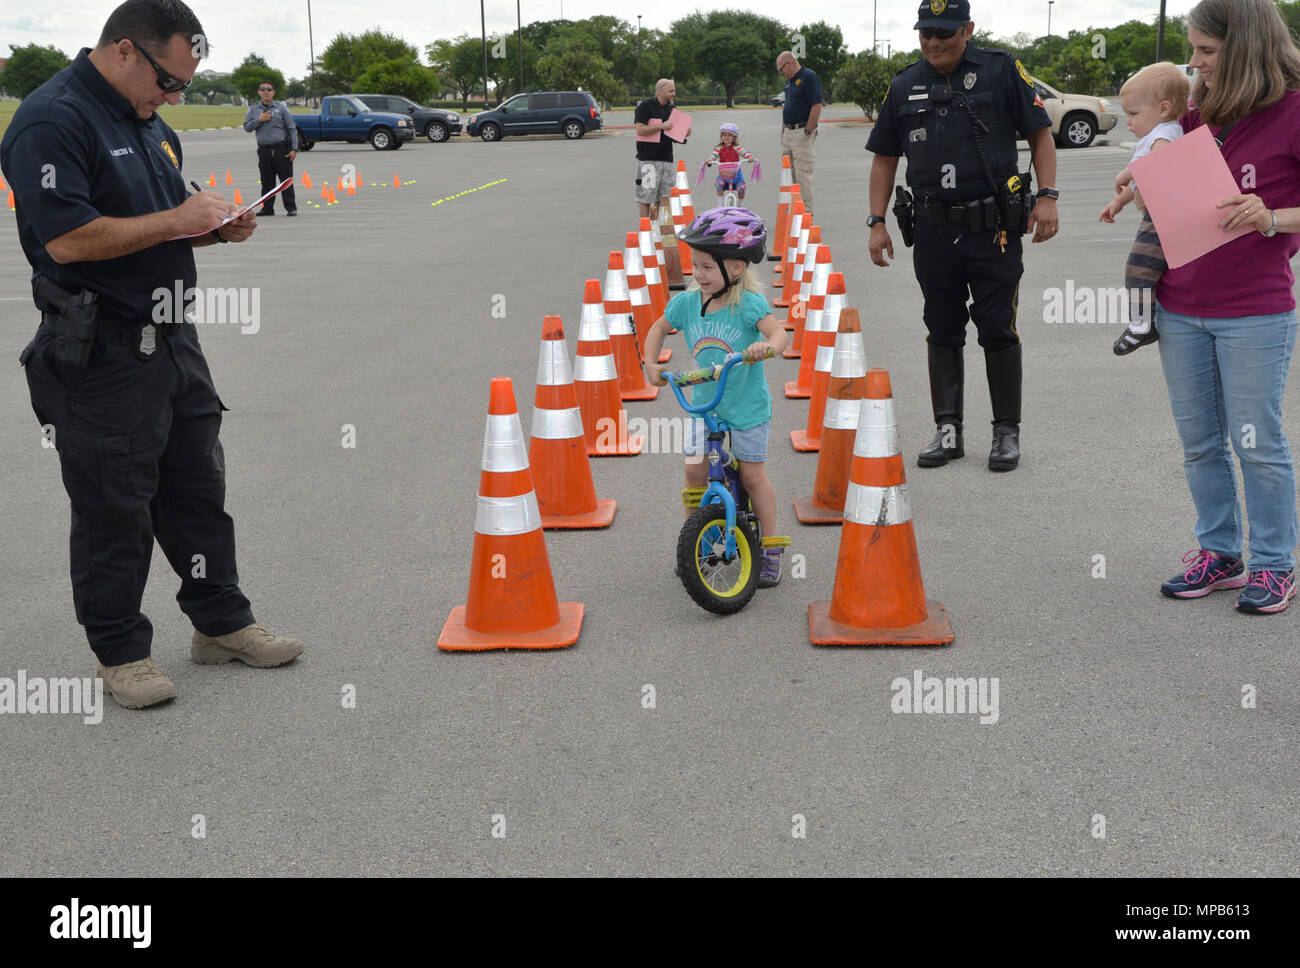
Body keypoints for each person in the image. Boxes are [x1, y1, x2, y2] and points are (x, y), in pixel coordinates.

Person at [0, 0, 304, 710]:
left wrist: (213, 230)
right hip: (99, 348)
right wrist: (178, 220)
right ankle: (120, 652)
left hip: (171, 339)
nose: (174, 97)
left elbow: (157, 227)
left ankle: (221, 624)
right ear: (126, 52)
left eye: (186, 87)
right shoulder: (54, 120)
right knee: (115, 506)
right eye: (169, 82)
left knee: (197, 487)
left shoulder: (149, 124)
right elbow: (68, 240)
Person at [1152, 0, 1300, 614]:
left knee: (1256, 441)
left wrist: (1270, 217)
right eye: (1193, 50)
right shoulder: (1196, 115)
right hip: (1180, 305)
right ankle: (1221, 553)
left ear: (1244, 49)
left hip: (1255, 311)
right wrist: (1136, 183)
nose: (1195, 63)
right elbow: (1171, 186)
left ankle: (1275, 565)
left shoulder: (1293, 111)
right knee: (1199, 443)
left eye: (1206, 52)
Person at [867, 0, 1059, 472]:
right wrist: (875, 222)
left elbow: (1040, 134)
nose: (934, 41)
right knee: (943, 328)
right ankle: (947, 430)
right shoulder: (904, 83)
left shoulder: (1001, 69)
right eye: (926, 32)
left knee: (998, 327)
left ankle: (1005, 433)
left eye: (945, 32)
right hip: (933, 232)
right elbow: (885, 159)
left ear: (968, 28)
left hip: (992, 229)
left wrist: (1048, 196)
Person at [642, 208, 791, 587]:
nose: (698, 274)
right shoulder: (688, 303)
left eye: (707, 267)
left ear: (736, 269)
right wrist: (649, 365)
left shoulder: (749, 306)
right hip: (704, 406)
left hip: (746, 407)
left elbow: (780, 334)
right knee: (694, 469)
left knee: (753, 475)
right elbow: (659, 327)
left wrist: (766, 347)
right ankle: (696, 541)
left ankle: (771, 549)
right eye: (697, 265)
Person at [1099, 63, 1189, 355]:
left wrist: (1133, 170)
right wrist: (1117, 202)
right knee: (1142, 269)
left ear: (1163, 108)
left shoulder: (1165, 133)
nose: (1128, 122)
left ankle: (1141, 327)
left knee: (1138, 269)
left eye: (1134, 114)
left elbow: (1162, 165)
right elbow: (1138, 184)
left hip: (1163, 218)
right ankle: (1142, 322)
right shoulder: (1151, 136)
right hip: (1156, 215)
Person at [634, 78, 691, 221]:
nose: (674, 94)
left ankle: (658, 225)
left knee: (665, 196)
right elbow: (640, 130)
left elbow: (675, 135)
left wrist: (684, 132)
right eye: (671, 91)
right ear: (660, 91)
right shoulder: (645, 106)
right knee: (646, 194)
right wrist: (660, 126)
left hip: (666, 158)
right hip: (648, 159)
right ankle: (645, 225)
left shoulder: (672, 109)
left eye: (674, 91)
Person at [776, 50, 822, 215]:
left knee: (803, 174)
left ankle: (806, 213)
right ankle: (795, 207)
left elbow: (816, 105)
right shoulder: (789, 83)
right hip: (788, 132)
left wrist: (808, 130)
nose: (782, 73)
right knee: (789, 173)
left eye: (782, 70)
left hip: (802, 131)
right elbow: (788, 106)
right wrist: (783, 130)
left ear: (790, 63)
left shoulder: (809, 77)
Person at [243, 79, 298, 216]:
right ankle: (267, 208)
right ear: (259, 92)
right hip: (264, 150)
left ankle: (291, 207)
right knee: (266, 181)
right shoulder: (254, 110)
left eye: (268, 89)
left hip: (281, 149)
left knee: (285, 180)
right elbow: (247, 127)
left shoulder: (281, 108)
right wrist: (259, 120)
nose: (266, 92)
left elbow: (291, 129)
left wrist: (294, 149)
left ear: (273, 92)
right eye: (263, 89)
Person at [702, 122, 760, 202]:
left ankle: (740, 205)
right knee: (719, 184)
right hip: (723, 174)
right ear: (721, 136)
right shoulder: (719, 148)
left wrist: (749, 157)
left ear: (734, 138)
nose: (726, 137)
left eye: (729, 135)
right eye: (724, 135)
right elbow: (713, 155)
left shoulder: (737, 148)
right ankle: (720, 205)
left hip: (736, 173)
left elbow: (744, 152)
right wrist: (709, 160)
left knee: (741, 187)